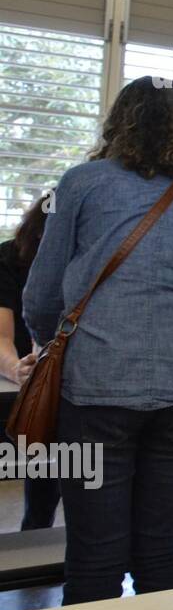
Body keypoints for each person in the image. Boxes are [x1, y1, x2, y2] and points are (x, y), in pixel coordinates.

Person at [23, 78, 173, 603]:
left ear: (120, 120)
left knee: (95, 555)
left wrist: (49, 347)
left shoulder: (84, 182)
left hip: (97, 388)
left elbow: (42, 293)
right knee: (161, 550)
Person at [0, 191, 61, 530]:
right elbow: (1, 337)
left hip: (65, 386)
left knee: (54, 471)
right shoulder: (8, 260)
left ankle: (36, 531)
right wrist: (17, 368)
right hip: (18, 381)